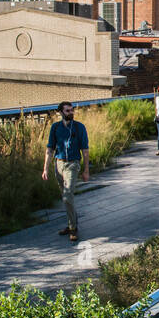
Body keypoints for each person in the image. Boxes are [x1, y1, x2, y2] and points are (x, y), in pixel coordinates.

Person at [43, 101, 91, 240]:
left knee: (67, 194)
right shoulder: (55, 127)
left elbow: (85, 150)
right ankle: (72, 223)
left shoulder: (79, 127)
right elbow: (50, 148)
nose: (71, 113)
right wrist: (45, 168)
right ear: (61, 112)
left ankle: (73, 228)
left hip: (73, 164)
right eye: (68, 111)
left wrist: (86, 170)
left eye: (72, 110)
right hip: (59, 164)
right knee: (66, 198)